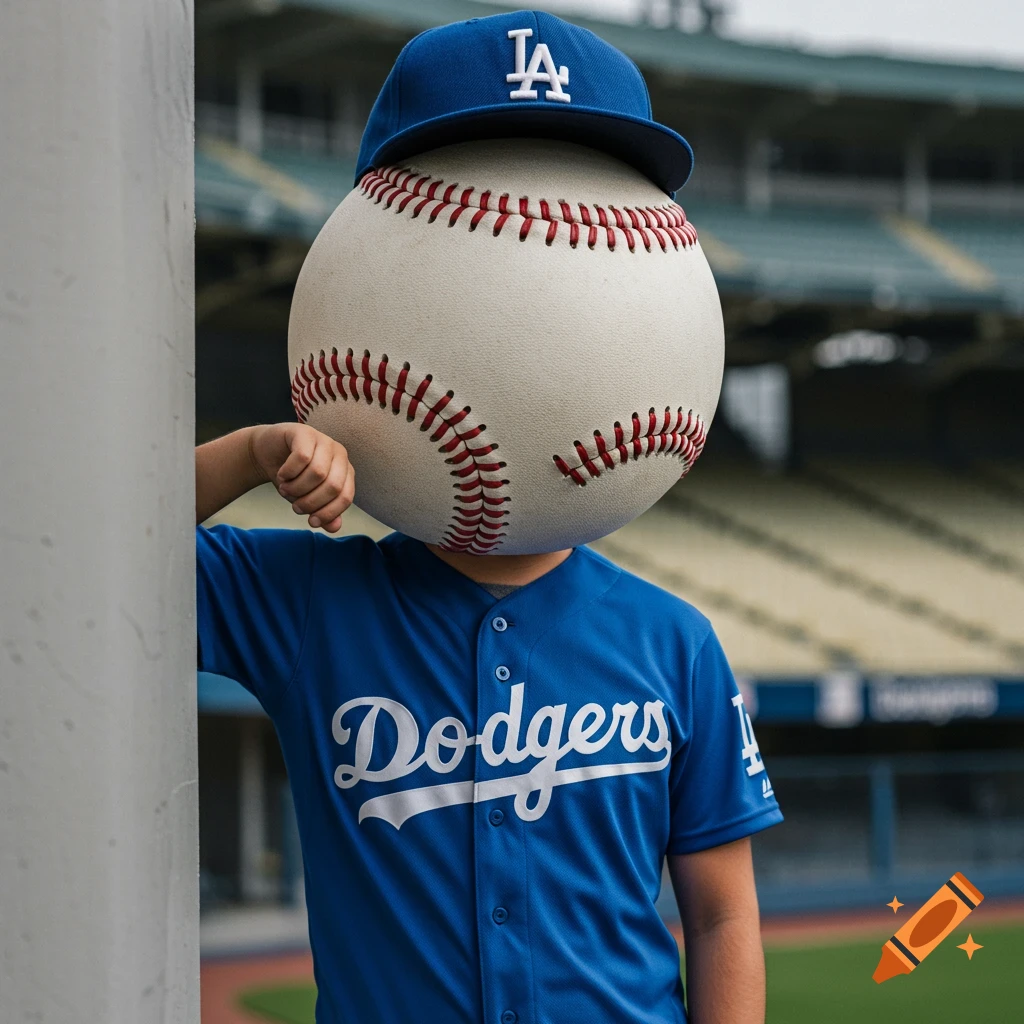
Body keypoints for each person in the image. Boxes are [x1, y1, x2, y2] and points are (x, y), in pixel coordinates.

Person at [197, 13, 782, 1024]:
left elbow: (723, 916)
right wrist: (253, 452)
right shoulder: (304, 599)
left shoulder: (673, 643)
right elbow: (77, 549)